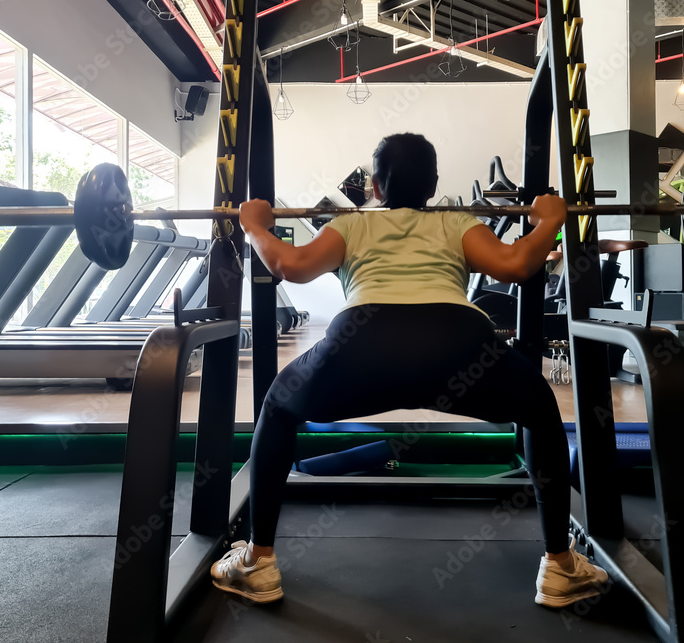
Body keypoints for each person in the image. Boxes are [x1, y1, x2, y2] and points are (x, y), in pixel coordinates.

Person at [210, 133, 608, 608]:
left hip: (360, 347)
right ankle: (560, 568)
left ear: (375, 187)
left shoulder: (352, 224)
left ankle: (258, 563)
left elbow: (288, 265)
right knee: (540, 410)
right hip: (459, 350)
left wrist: (254, 224)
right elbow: (518, 264)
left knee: (277, 408)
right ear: (434, 184)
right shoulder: (455, 222)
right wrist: (549, 221)